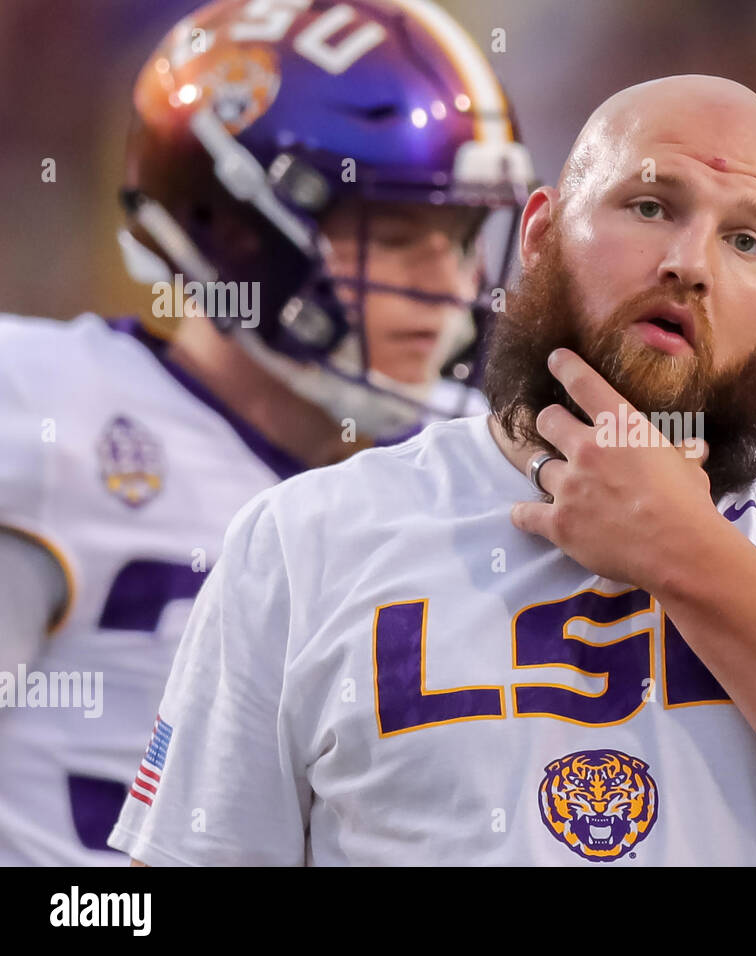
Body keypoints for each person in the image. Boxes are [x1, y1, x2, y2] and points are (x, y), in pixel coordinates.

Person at [110, 74, 756, 867]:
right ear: (539, 235)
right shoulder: (305, 539)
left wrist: (684, 552)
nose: (690, 264)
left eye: (747, 240)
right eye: (650, 206)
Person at [0, 0, 535, 864]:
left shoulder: (475, 475)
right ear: (237, 232)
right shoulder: (44, 415)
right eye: (398, 236)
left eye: (462, 235)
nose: (450, 284)